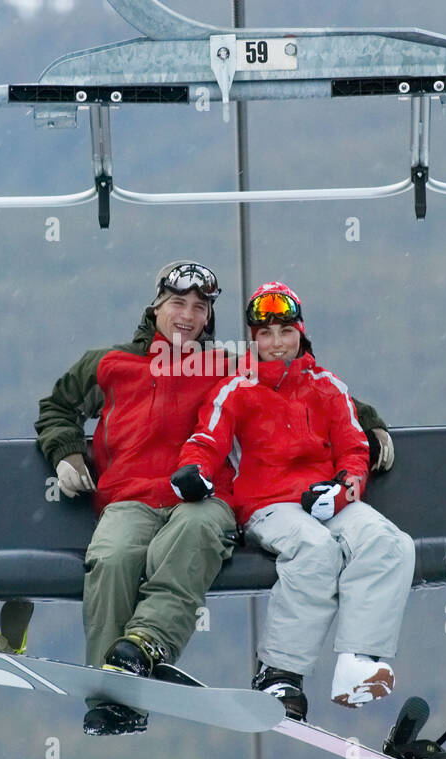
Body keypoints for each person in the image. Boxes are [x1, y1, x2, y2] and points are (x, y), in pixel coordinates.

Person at [171, 281, 415, 722]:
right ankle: (280, 672)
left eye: (285, 331)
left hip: (325, 500)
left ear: (300, 332)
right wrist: (193, 472)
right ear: (253, 339)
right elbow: (207, 440)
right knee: (316, 550)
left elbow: (354, 452)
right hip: (268, 504)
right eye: (265, 334)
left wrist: (342, 491)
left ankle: (359, 663)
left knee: (390, 542)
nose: (276, 343)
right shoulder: (237, 388)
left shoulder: (327, 387)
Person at [34, 261, 239, 736]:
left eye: (199, 307)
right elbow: (57, 407)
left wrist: (366, 425)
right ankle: (112, 698)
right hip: (130, 498)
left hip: (201, 497)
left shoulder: (227, 367)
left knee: (194, 532)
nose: (187, 315)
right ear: (156, 307)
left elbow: (301, 388)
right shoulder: (110, 364)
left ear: (208, 317)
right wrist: (66, 453)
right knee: (112, 557)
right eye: (177, 303)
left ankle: (147, 644)